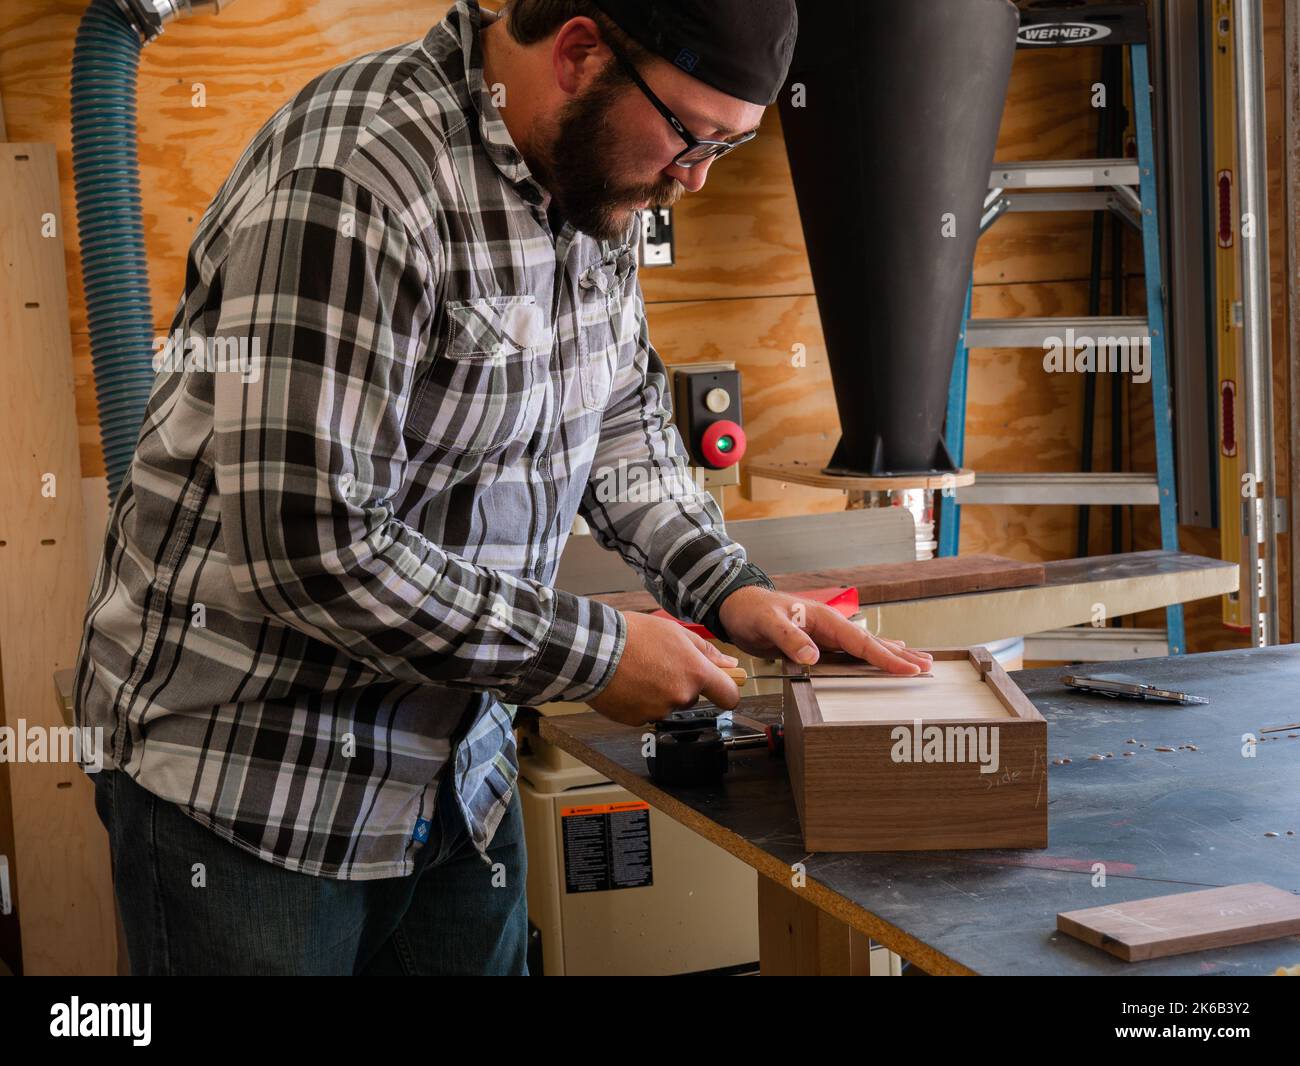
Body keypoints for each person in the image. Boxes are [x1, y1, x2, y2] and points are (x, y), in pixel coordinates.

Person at [74, 0, 931, 975]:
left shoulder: (594, 166)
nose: (690, 181)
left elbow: (616, 419)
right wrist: (599, 654)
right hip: (253, 788)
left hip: (453, 768)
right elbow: (309, 548)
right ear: (577, 52)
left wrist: (730, 587)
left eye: (724, 150)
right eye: (691, 136)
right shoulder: (358, 177)